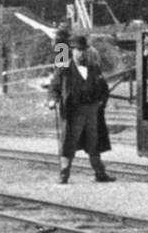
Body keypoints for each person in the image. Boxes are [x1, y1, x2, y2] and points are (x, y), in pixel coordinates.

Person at [47, 34, 115, 184]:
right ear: (72, 51)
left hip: (92, 112)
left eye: (83, 50)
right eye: (78, 50)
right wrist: (52, 100)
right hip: (74, 112)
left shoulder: (94, 68)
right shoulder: (64, 68)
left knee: (94, 143)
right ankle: (64, 175)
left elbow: (104, 89)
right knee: (68, 143)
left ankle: (100, 173)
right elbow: (54, 87)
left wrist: (101, 103)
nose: (81, 53)